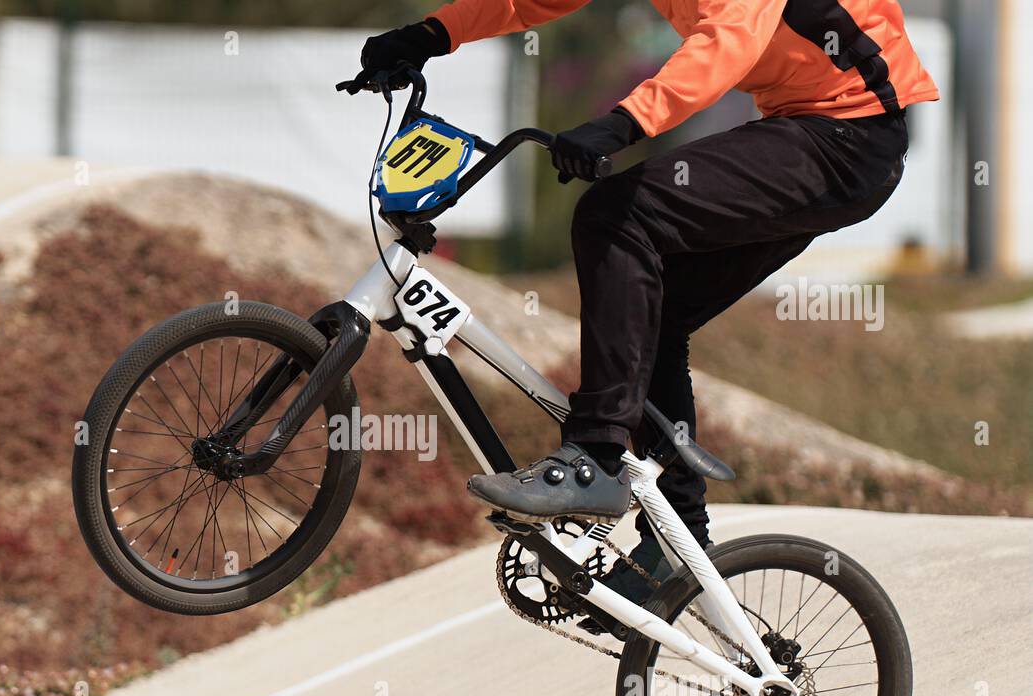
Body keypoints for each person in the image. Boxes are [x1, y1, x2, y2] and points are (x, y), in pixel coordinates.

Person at [360, 0, 937, 606]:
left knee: (616, 214)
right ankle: (679, 541)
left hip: (846, 136)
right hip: (811, 130)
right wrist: (432, 33)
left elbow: (730, 38)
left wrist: (624, 122)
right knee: (653, 308)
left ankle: (595, 458)